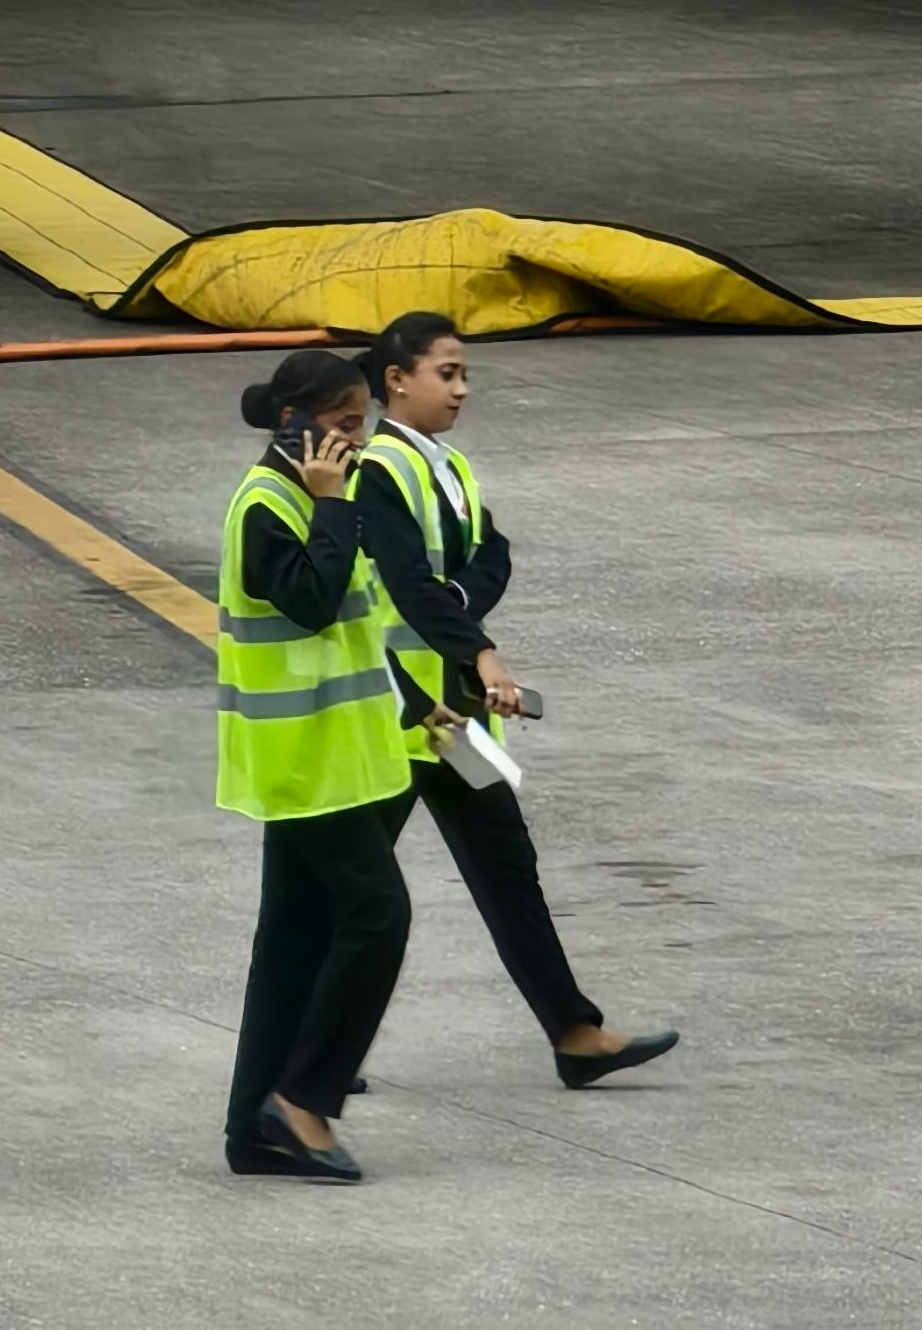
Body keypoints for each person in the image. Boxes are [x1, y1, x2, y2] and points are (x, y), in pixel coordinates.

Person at [356, 312, 679, 1092]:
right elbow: (406, 589)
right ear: (397, 380)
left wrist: (461, 606)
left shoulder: (450, 468)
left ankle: (573, 1031)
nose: (462, 388)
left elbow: (491, 556)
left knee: (509, 873)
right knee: (356, 892)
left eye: (465, 374)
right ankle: (304, 1049)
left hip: (459, 716)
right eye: (447, 372)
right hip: (396, 714)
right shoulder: (378, 473)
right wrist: (477, 640)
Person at [217, 342, 425, 1181]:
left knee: (295, 940)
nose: (361, 441)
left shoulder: (313, 496)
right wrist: (332, 504)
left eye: (364, 425)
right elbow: (309, 605)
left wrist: (418, 699)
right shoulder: (271, 503)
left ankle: (253, 1131)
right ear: (296, 424)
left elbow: (358, 620)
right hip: (304, 762)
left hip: (333, 756)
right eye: (346, 425)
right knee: (379, 918)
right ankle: (302, 1100)